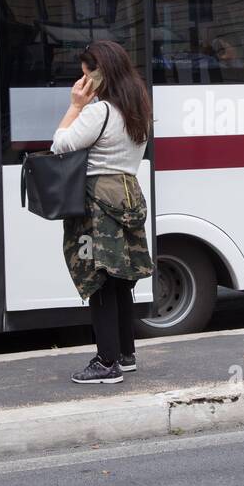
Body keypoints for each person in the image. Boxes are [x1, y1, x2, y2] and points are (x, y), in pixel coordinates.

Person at [52, 41, 155, 384]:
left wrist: (74, 106)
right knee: (121, 280)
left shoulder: (100, 112)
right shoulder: (137, 107)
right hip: (128, 194)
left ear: (101, 73)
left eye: (86, 73)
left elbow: (60, 145)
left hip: (97, 202)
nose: (83, 80)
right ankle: (125, 355)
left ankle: (106, 362)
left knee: (98, 280)